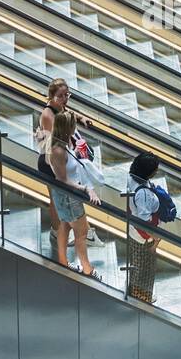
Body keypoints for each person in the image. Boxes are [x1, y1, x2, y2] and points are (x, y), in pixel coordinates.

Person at [36, 79, 100, 250]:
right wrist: (73, 146)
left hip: (59, 158)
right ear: (51, 96)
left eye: (67, 95)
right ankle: (58, 232)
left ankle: (68, 231)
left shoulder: (59, 107)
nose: (65, 99)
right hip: (50, 162)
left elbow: (67, 113)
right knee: (56, 199)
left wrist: (81, 118)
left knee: (62, 198)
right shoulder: (47, 115)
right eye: (61, 96)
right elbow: (54, 141)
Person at [48, 109, 101, 280]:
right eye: (73, 126)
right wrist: (85, 188)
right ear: (66, 128)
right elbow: (62, 179)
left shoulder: (65, 142)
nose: (75, 129)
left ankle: (63, 261)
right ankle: (87, 269)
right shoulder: (58, 150)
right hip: (69, 196)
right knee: (82, 234)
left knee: (65, 225)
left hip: (68, 195)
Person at [126, 151, 173, 303]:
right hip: (143, 237)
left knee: (136, 264)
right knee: (144, 269)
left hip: (134, 232)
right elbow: (144, 220)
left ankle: (134, 291)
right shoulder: (143, 194)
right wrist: (155, 237)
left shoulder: (131, 179)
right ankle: (141, 297)